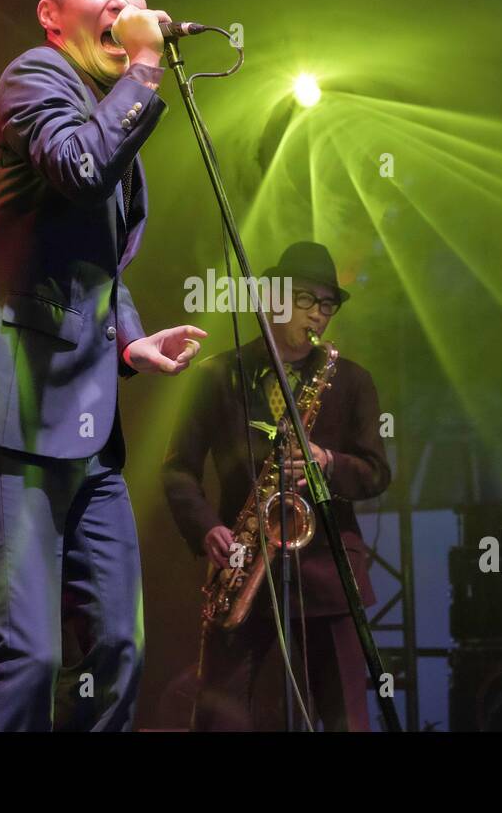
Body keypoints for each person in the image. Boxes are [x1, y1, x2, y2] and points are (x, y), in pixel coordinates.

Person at [0, 0, 205, 731]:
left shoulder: (112, 117)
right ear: (52, 15)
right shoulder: (32, 77)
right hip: (5, 410)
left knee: (119, 649)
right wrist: (143, 71)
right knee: (27, 655)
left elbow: (93, 263)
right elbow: (77, 167)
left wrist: (129, 339)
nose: (124, 1)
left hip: (86, 421)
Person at [164, 242, 389, 731]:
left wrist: (326, 461)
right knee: (219, 718)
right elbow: (178, 468)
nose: (319, 315)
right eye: (308, 299)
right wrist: (206, 529)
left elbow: (375, 472)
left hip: (329, 573)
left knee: (346, 719)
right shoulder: (217, 376)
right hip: (241, 567)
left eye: (327, 305)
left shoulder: (351, 380)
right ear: (273, 298)